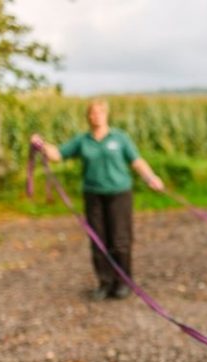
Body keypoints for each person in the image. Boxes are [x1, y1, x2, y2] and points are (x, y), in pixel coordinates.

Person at [31, 99, 165, 301]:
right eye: (92, 113)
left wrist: (150, 177)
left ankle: (123, 283)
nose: (96, 116)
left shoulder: (120, 138)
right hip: (93, 195)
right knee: (98, 241)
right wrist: (41, 144)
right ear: (88, 117)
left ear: (106, 114)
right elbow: (57, 155)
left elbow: (136, 161)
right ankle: (105, 283)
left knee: (120, 240)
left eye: (99, 113)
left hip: (119, 195)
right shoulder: (82, 140)